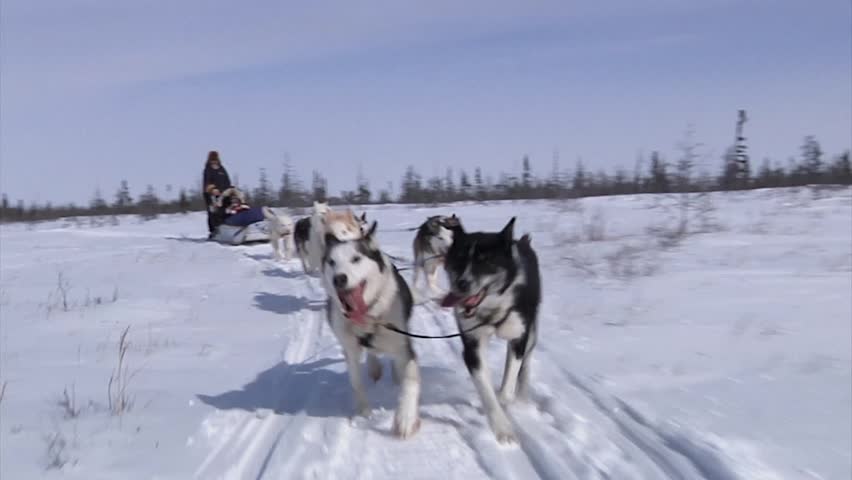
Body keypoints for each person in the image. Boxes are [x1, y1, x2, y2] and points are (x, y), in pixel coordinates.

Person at [202, 151, 232, 238]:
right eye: (212, 160)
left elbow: (227, 181)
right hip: (211, 195)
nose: (214, 161)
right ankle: (214, 230)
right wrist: (212, 189)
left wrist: (229, 190)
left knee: (227, 210)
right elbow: (206, 183)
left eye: (215, 159)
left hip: (224, 194)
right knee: (213, 212)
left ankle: (227, 227)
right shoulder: (208, 170)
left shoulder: (221, 169)